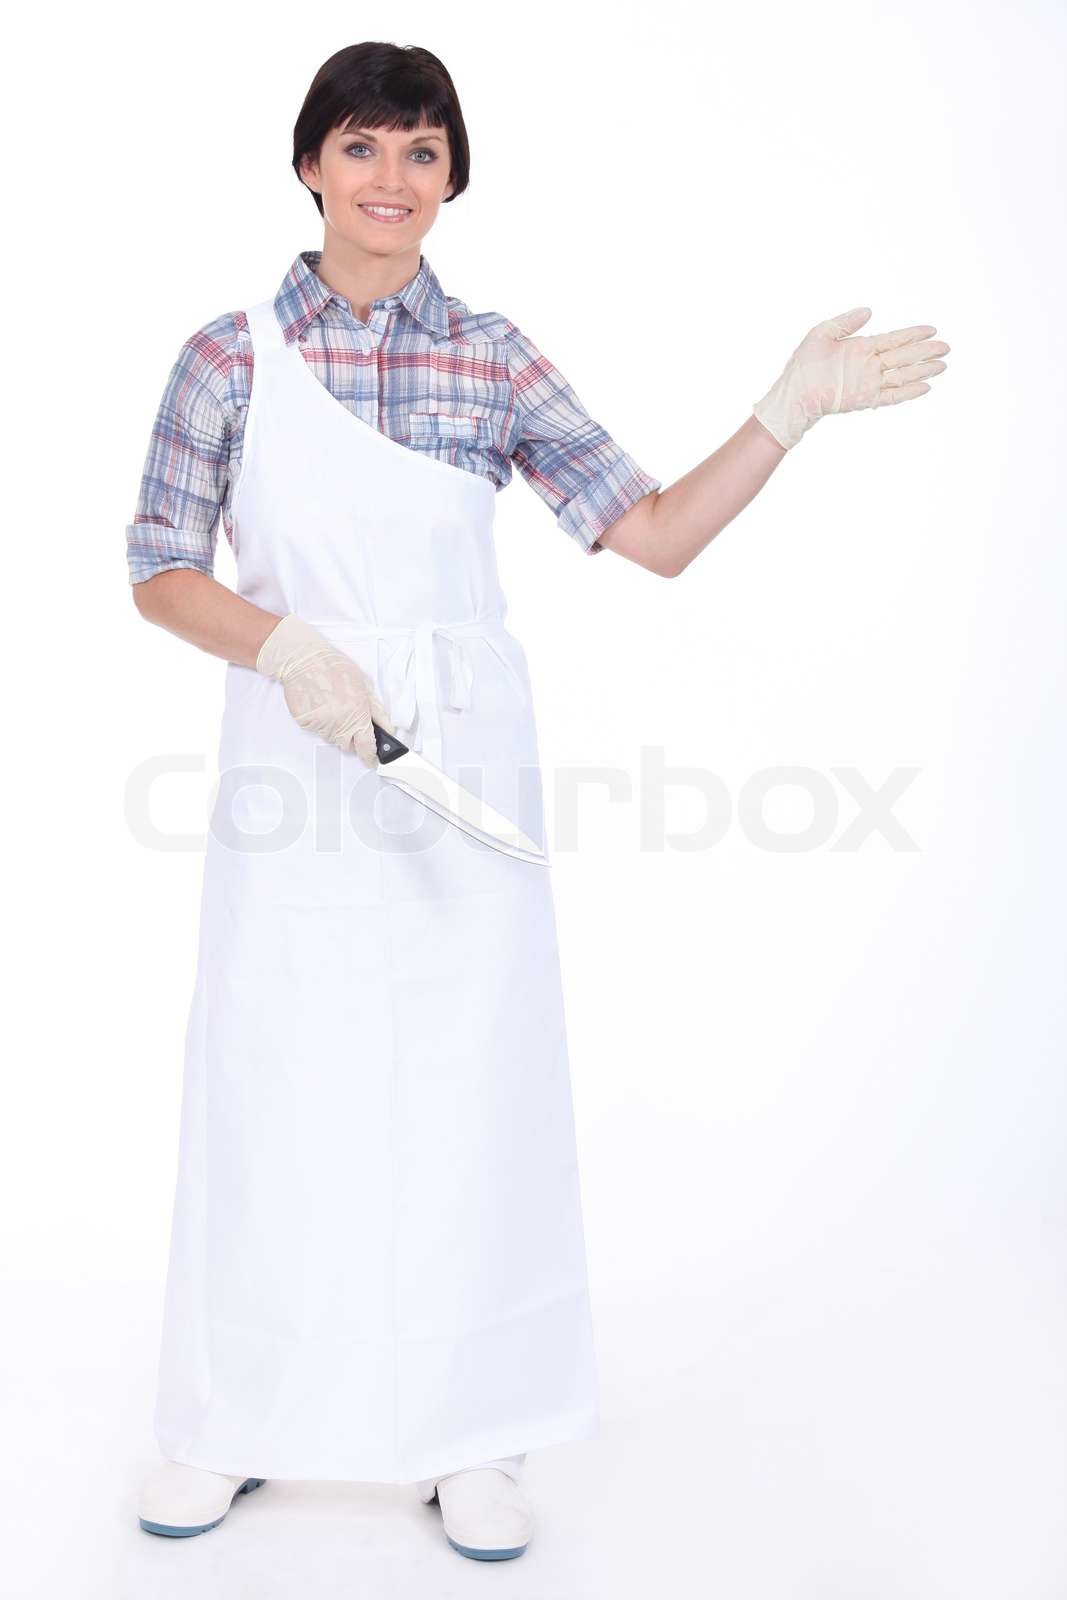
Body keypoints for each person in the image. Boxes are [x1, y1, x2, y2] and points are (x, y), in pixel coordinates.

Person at [129, 41, 949, 1562]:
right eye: (363, 147)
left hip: (459, 766)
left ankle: (466, 1431)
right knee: (273, 1078)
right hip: (292, 759)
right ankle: (228, 1416)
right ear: (309, 163)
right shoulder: (228, 355)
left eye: (422, 152)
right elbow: (160, 572)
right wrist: (289, 645)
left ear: (453, 178)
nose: (391, 180)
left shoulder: (492, 357)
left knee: (465, 1089)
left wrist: (790, 407)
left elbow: (650, 534)